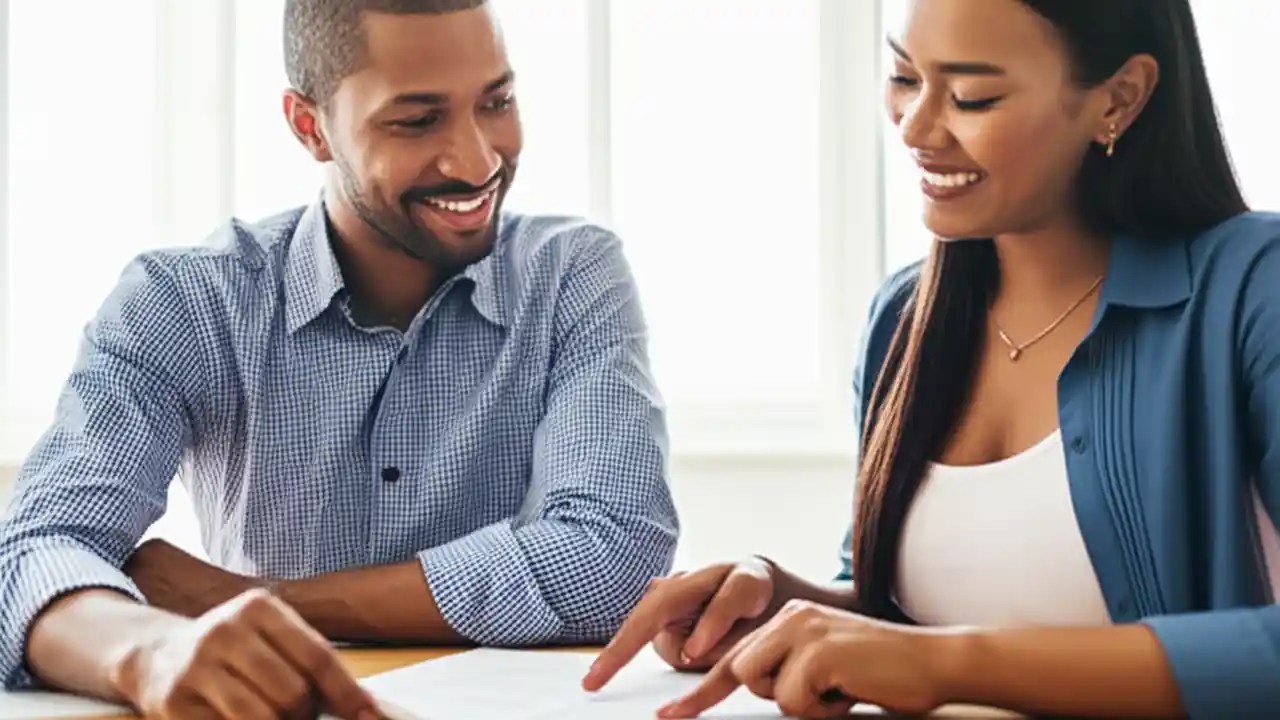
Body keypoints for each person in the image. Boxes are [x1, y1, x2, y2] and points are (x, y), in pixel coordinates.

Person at [583, 0, 1280, 717]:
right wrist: (788, 605)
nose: (915, 127)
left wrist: (949, 662)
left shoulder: (1252, 289)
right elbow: (907, 614)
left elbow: (935, 654)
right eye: (904, 77)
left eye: (973, 96)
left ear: (1120, 97)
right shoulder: (903, 321)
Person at [0, 0, 678, 716]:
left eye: (497, 101)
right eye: (417, 121)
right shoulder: (186, 303)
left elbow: (613, 556)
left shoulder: (573, 273)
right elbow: (36, 553)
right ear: (310, 126)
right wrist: (153, 648)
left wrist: (255, 604)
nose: (478, 160)